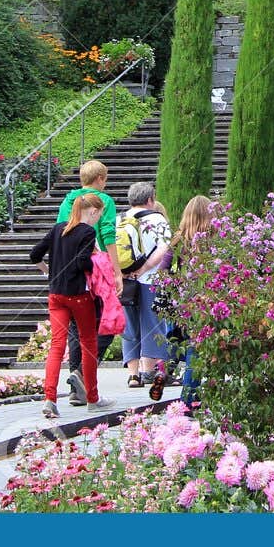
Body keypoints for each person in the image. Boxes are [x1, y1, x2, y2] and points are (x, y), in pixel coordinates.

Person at [31, 192, 114, 419]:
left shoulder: (58, 228)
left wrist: (48, 272)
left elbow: (34, 254)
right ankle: (93, 399)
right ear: (94, 211)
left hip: (55, 295)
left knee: (57, 346)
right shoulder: (87, 232)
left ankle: (50, 399)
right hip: (79, 295)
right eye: (99, 215)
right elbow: (81, 263)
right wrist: (96, 260)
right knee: (89, 344)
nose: (98, 220)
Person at [57, 161, 119, 400]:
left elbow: (60, 231)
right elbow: (108, 235)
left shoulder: (67, 201)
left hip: (69, 268)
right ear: (101, 179)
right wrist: (116, 272)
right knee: (106, 324)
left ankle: (76, 388)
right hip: (96, 268)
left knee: (76, 327)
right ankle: (82, 375)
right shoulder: (104, 201)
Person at [117, 182, 173, 397]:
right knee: (152, 323)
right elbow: (164, 249)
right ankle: (149, 370)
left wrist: (122, 274)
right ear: (151, 199)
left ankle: (133, 374)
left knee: (129, 325)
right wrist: (144, 269)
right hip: (150, 279)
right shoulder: (157, 218)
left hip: (125, 280)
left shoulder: (119, 219)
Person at [165, 195, 216, 408]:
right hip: (210, 299)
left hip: (184, 300)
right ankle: (189, 397)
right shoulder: (215, 239)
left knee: (188, 345)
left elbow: (163, 271)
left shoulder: (178, 239)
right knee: (200, 347)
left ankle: (171, 373)